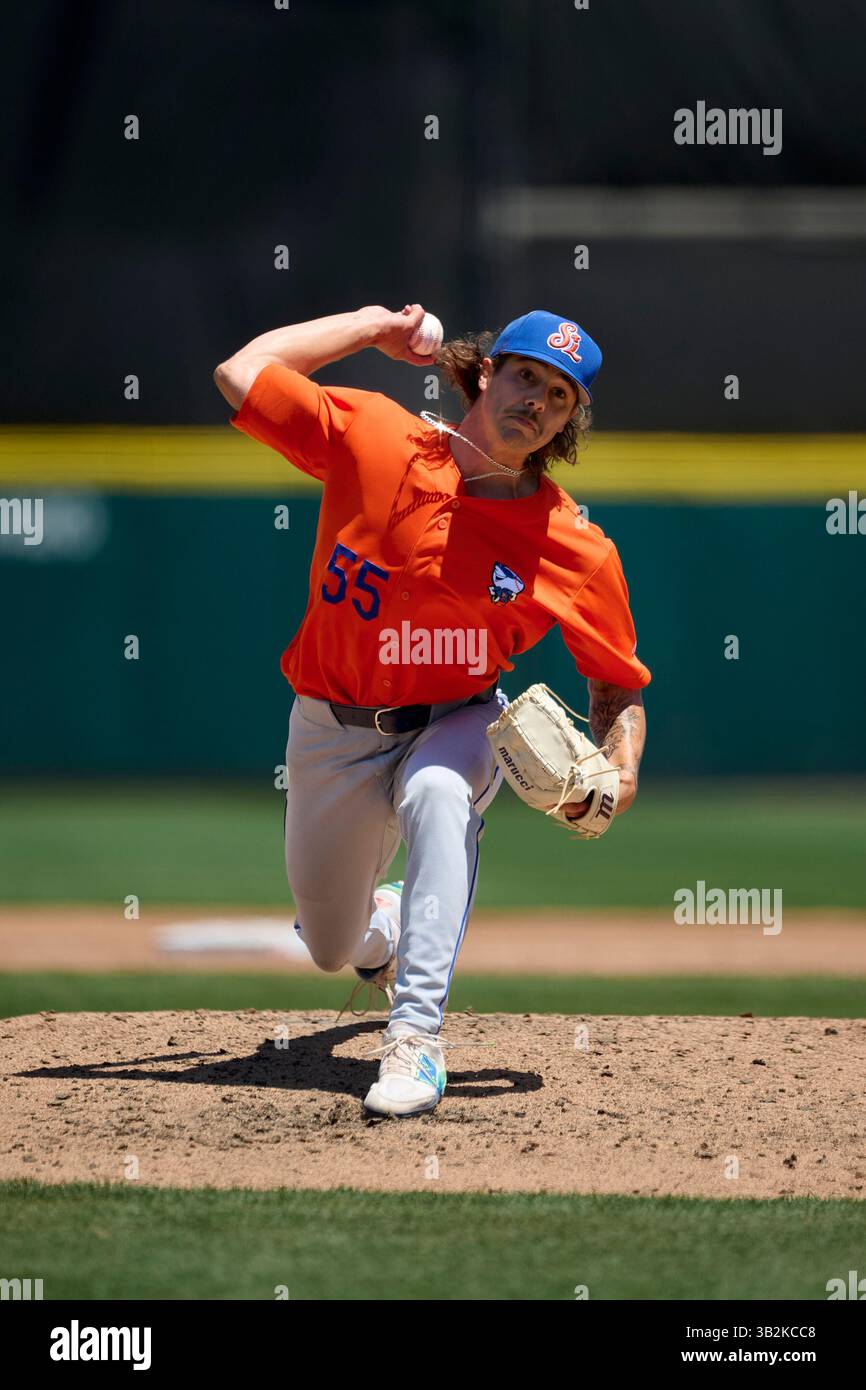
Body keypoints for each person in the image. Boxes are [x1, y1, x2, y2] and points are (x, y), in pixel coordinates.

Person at [213, 304, 650, 1117]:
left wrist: (618, 776)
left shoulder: (574, 545)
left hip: (460, 718)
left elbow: (618, 686)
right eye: (526, 375)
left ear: (568, 420)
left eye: (559, 395)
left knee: (439, 794)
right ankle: (379, 929)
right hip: (329, 729)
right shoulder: (378, 437)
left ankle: (416, 1039)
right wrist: (371, 325)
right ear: (485, 372)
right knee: (330, 946)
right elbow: (241, 373)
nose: (537, 401)